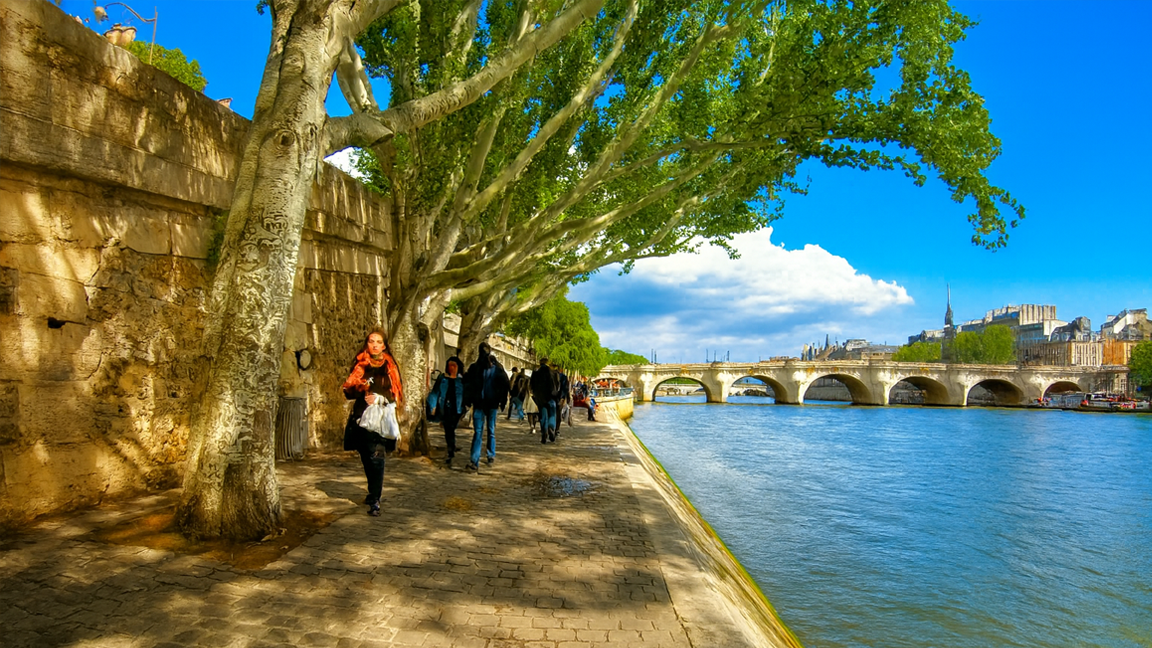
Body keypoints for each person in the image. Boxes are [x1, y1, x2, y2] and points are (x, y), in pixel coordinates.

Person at [342, 327, 404, 517]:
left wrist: (379, 398)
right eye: (371, 341)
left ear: (384, 345)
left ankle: (376, 498)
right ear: (367, 344)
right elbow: (348, 392)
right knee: (366, 456)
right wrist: (359, 387)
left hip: (382, 417)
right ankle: (372, 491)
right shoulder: (360, 365)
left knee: (377, 457)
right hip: (362, 418)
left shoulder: (390, 367)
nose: (375, 345)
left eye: (378, 342)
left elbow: (396, 394)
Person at [461, 342, 510, 471]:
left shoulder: (491, 369)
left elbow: (504, 386)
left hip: (486, 404)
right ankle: (479, 459)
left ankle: (484, 456)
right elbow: (469, 386)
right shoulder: (478, 369)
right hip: (483, 404)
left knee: (484, 431)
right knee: (486, 431)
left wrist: (502, 400)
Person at [427, 356, 465, 466]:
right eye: (450, 366)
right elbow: (435, 392)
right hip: (445, 408)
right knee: (449, 430)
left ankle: (451, 448)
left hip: (457, 409)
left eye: (454, 366)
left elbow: (466, 395)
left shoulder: (462, 380)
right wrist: (432, 406)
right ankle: (450, 451)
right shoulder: (442, 378)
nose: (451, 368)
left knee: (451, 429)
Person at [529, 357, 558, 444]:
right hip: (551, 397)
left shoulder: (535, 373)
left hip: (540, 398)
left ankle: (544, 432)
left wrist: (535, 395)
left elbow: (531, 386)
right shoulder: (553, 373)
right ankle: (551, 427)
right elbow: (557, 386)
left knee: (543, 416)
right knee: (552, 415)